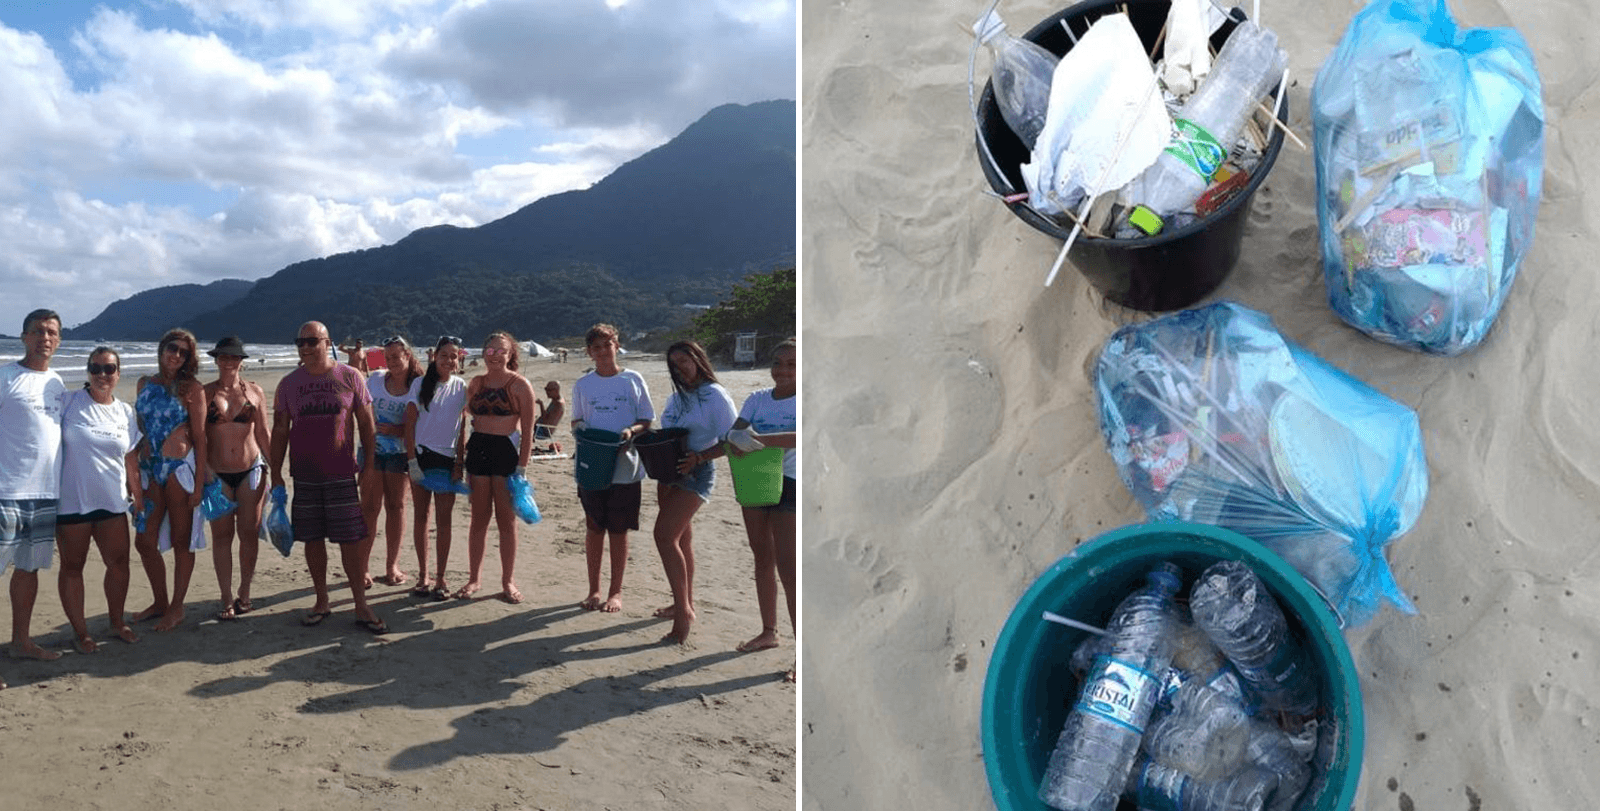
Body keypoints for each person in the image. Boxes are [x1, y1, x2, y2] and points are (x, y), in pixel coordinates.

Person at [269, 321, 385, 633]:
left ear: (327, 342)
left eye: (311, 341)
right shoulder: (288, 384)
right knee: (312, 539)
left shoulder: (350, 376)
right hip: (304, 473)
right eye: (300, 342)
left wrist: (371, 464)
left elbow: (367, 424)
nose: (305, 347)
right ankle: (322, 601)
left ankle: (360, 604)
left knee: (350, 539)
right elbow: (280, 430)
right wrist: (276, 473)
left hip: (342, 472)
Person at [651, 341, 737, 644]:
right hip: (668, 472)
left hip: (697, 472)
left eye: (685, 361)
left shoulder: (715, 395)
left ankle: (683, 615)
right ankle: (682, 601)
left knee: (663, 536)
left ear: (699, 359)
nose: (680, 368)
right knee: (682, 539)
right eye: (674, 364)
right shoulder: (678, 398)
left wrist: (700, 458)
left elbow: (733, 441)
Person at [56, 347, 141, 651]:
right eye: (96, 368)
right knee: (72, 566)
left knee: (119, 564)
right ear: (87, 371)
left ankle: (117, 622)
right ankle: (82, 633)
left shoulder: (125, 412)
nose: (102, 375)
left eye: (109, 369)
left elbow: (131, 461)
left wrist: (139, 500)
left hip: (113, 502)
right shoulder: (68, 402)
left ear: (118, 373)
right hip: (72, 503)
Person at [0, 308, 67, 684]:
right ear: (23, 337)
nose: (46, 338)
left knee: (28, 571)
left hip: (45, 495)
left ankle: (21, 641)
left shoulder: (57, 382)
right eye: (39, 331)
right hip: (5, 492)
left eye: (52, 332)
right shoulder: (6, 376)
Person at [571, 323, 654, 614]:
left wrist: (631, 432)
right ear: (589, 352)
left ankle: (615, 592)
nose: (603, 351)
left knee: (619, 530)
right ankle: (593, 590)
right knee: (594, 527)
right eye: (597, 347)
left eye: (608, 344)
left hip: (626, 466)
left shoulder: (633, 379)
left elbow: (646, 419)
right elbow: (576, 421)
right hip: (592, 464)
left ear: (617, 345)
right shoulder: (583, 384)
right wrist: (582, 433)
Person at [132, 327, 208, 632]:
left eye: (183, 352)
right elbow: (138, 430)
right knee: (144, 541)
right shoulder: (143, 384)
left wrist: (199, 484)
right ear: (162, 349)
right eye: (172, 348)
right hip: (150, 469)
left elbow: (201, 440)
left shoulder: (192, 389)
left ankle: (177, 607)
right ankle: (160, 601)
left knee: (181, 541)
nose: (176, 355)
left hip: (179, 471)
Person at [731, 338, 798, 680]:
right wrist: (742, 441)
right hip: (756, 479)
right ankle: (769, 631)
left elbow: (801, 436)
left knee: (790, 569)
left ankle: (804, 654)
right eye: (778, 363)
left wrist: (760, 440)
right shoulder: (757, 399)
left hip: (790, 483)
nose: (783, 370)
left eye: (792, 364)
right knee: (762, 557)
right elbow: (737, 432)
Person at [460, 331, 536, 603]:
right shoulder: (476, 383)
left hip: (506, 453)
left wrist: (522, 467)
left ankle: (507, 581)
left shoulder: (519, 385)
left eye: (501, 351)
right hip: (478, 450)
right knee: (478, 519)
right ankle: (474, 579)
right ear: (483, 354)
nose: (494, 356)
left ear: (511, 354)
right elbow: (462, 421)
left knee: (506, 521)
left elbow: (528, 431)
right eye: (490, 351)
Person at [203, 336, 271, 621]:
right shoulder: (203, 393)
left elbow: (263, 433)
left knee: (249, 533)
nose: (229, 362)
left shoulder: (255, 392)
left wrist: (276, 470)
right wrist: (204, 472)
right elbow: (196, 437)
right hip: (216, 473)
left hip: (250, 470)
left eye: (234, 357)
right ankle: (225, 596)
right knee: (221, 536)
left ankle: (244, 592)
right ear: (216, 360)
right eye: (223, 357)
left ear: (241, 361)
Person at [403, 335, 468, 600]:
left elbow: (462, 427)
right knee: (421, 518)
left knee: (444, 522)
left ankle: (441, 578)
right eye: (445, 355)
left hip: (447, 461)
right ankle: (422, 576)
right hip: (421, 457)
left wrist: (460, 463)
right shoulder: (419, 384)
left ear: (458, 359)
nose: (449, 360)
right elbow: (409, 425)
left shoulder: (461, 386)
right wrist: (411, 462)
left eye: (454, 356)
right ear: (435, 357)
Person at [366, 336, 423, 588]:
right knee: (369, 508)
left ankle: (392, 565)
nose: (391, 362)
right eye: (387, 357)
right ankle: (363, 567)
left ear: (408, 356)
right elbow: (359, 409)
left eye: (396, 357)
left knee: (396, 507)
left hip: (401, 454)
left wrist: (398, 430)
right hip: (371, 451)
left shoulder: (418, 386)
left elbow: (425, 422)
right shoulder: (375, 379)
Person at [534, 380, 565, 454]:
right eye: (546, 389)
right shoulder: (555, 400)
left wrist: (541, 405)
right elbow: (545, 417)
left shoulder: (558, 404)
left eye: (549, 390)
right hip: (542, 427)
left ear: (556, 390)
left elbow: (546, 423)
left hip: (543, 432)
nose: (547, 392)